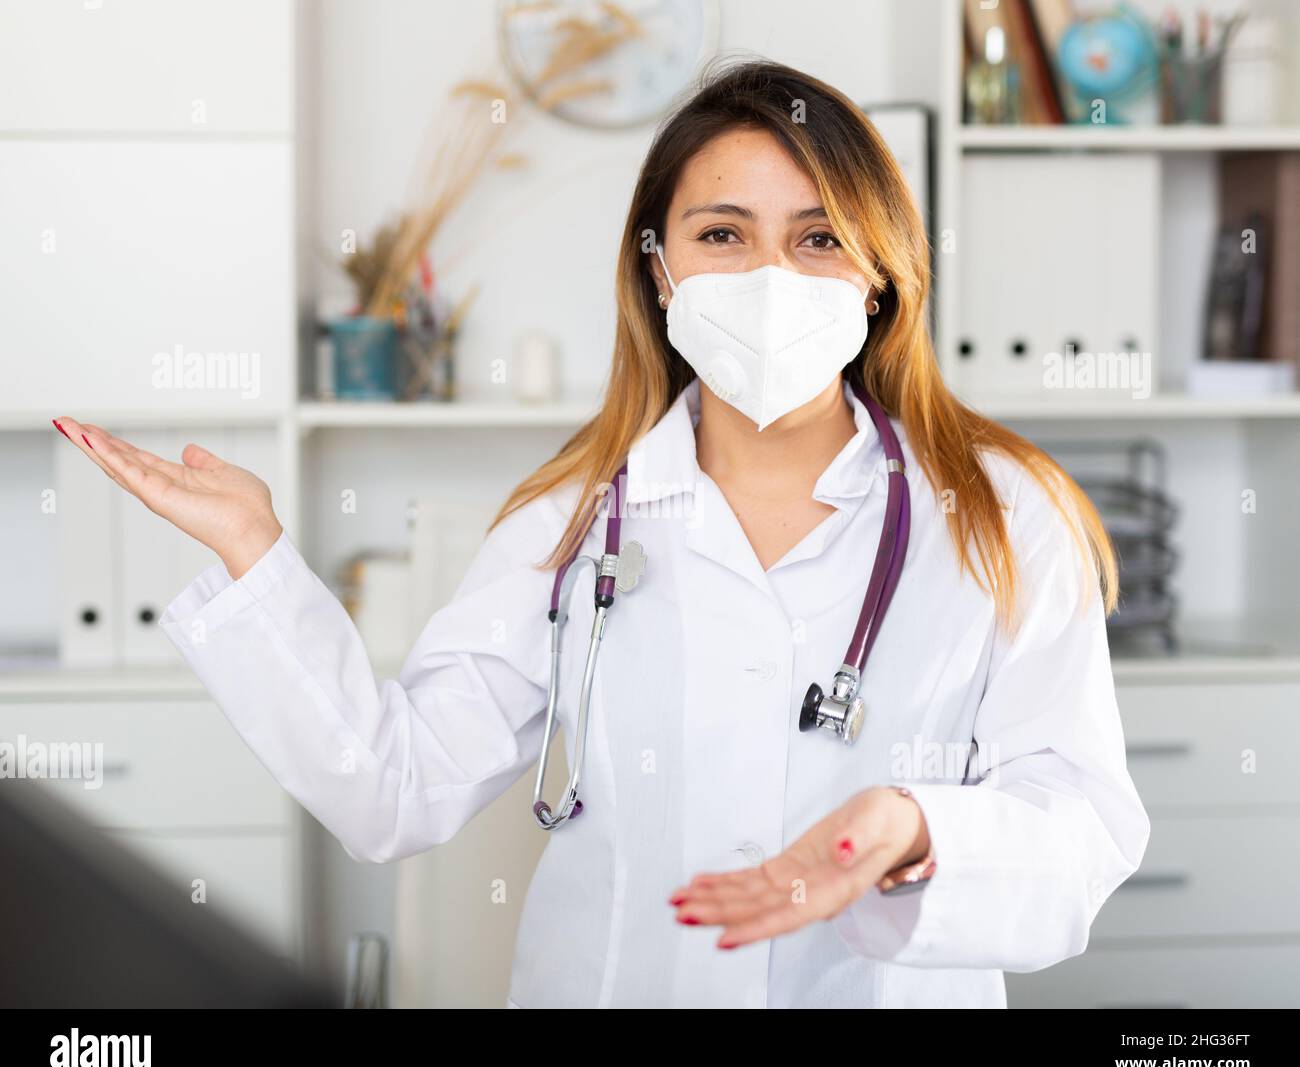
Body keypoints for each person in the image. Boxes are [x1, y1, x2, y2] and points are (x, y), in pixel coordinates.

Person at [52, 59, 1150, 1008]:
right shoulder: (572, 517)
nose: (769, 278)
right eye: (722, 233)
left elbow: (1080, 831)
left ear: (875, 276)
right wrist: (256, 557)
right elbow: (393, 789)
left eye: (817, 237)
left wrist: (915, 831)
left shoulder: (1004, 514)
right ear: (657, 268)